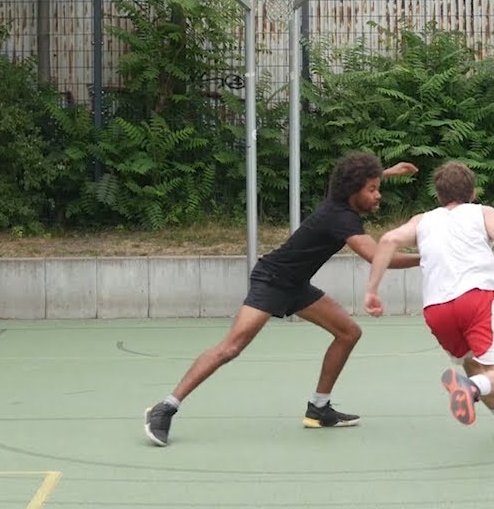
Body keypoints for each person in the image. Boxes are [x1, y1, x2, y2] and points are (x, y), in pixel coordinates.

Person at [143, 151, 421, 447]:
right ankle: (165, 408)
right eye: (372, 189)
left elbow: (350, 179)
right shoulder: (341, 218)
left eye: (378, 187)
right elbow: (378, 257)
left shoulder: (340, 195)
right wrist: (425, 258)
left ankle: (319, 408)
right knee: (231, 347)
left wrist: (386, 172)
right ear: (354, 191)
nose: (378, 195)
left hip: (295, 284)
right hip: (271, 280)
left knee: (348, 332)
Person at [361, 160, 494, 442]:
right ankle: (470, 387)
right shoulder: (483, 212)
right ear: (472, 193)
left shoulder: (422, 220)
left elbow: (388, 240)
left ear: (438, 196)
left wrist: (371, 290)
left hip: (437, 311)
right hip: (477, 301)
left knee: (475, 366)